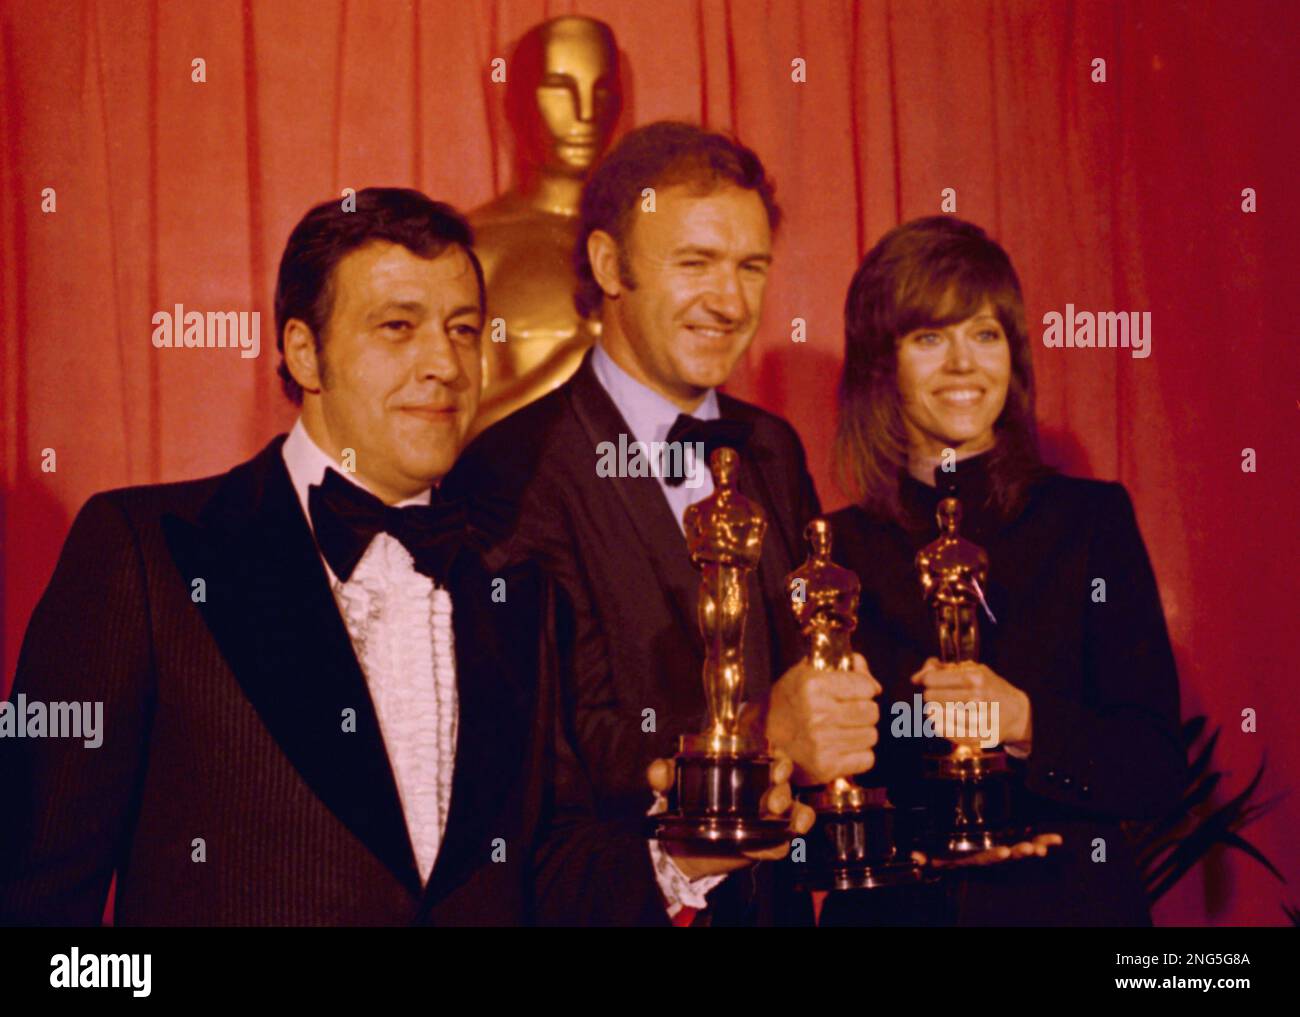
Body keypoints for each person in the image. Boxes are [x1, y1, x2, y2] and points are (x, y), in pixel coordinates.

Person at [0, 187, 806, 926]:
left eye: (462, 329)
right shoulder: (147, 551)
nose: (445, 364)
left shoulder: (514, 585)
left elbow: (546, 876)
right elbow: (37, 897)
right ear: (305, 354)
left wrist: (683, 856)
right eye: (398, 326)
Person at [450, 122, 880, 925]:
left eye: (750, 267)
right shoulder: (510, 469)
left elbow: (804, 672)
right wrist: (760, 732)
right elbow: (554, 752)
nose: (730, 301)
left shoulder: (772, 448)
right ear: (611, 267)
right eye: (695, 263)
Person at [823, 215, 1185, 925]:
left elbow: (1155, 767)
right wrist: (921, 852)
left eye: (984, 334)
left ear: (1013, 355)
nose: (964, 364)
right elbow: (816, 795)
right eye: (930, 338)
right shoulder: (838, 551)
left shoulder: (1090, 522)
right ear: (880, 363)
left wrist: (1022, 721)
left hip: (1067, 908)